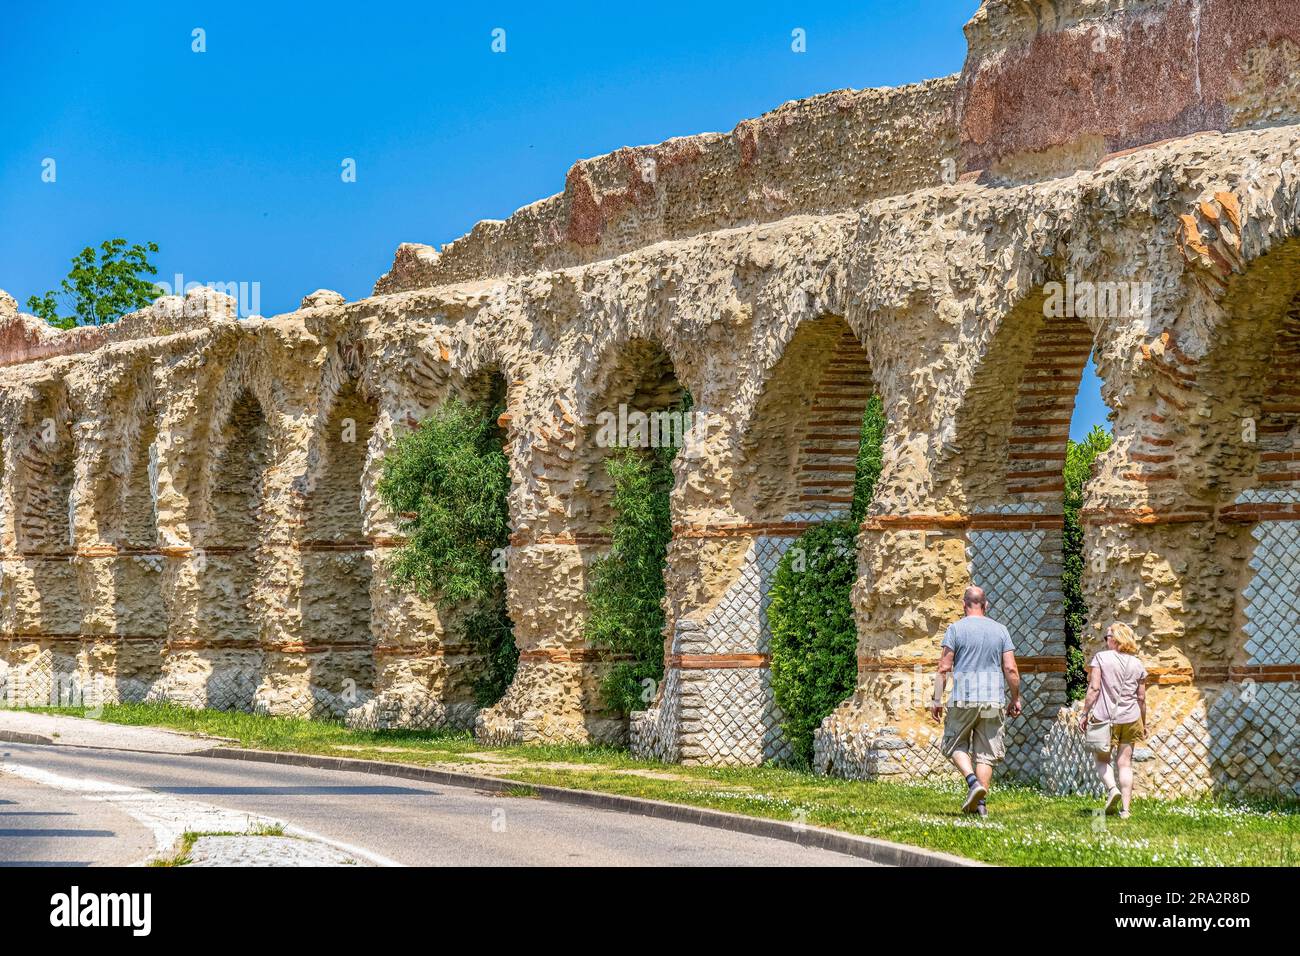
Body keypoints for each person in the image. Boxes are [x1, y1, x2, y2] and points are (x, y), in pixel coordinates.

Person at [929, 586, 1022, 816]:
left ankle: (973, 784)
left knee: (954, 744)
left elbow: (944, 667)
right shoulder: (1001, 630)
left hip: (964, 699)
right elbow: (1010, 668)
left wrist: (937, 698)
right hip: (992, 701)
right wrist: (1015, 698)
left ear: (964, 605)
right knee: (985, 754)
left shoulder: (955, 629)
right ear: (986, 605)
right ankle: (980, 807)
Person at [1079, 622, 1147, 818]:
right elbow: (1141, 698)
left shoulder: (1101, 658)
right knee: (1125, 763)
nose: (1105, 640)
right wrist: (1144, 722)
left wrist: (1084, 713)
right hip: (1132, 717)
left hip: (1105, 718)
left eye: (1107, 637)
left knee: (1102, 761)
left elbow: (1094, 689)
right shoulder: (1137, 664)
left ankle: (1112, 789)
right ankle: (1125, 810)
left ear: (1115, 639)